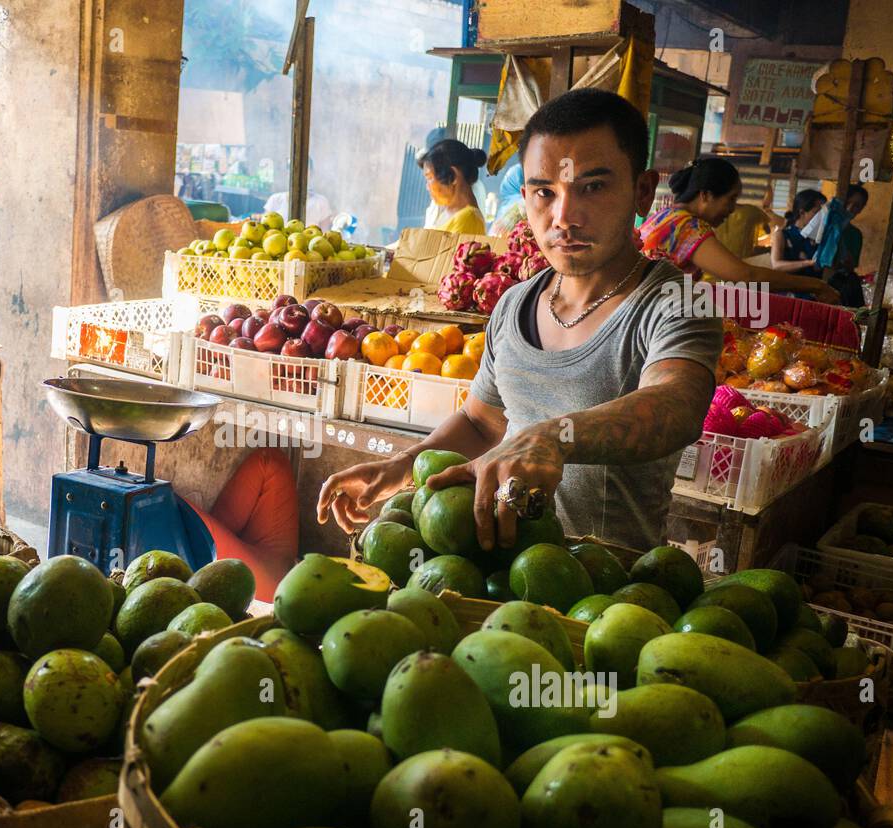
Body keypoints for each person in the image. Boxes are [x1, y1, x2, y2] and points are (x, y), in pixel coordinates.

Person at [316, 88, 723, 553]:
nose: (563, 217)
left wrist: (555, 436)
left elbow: (677, 405)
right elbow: (481, 422)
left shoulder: (675, 302)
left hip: (609, 592)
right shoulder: (514, 304)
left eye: (592, 187)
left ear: (643, 191)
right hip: (497, 576)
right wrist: (403, 465)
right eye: (544, 192)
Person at [639, 160, 839, 302]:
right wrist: (816, 285)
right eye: (731, 199)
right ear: (706, 195)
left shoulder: (666, 215)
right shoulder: (687, 226)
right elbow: (746, 276)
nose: (733, 209)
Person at [184, 448, 298, 602]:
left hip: (271, 594)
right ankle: (205, 554)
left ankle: (204, 556)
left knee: (165, 505)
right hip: (285, 571)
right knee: (270, 461)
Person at [419, 138, 488, 235]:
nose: (427, 186)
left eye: (430, 177)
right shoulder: (448, 213)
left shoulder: (468, 219)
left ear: (453, 175)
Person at [769, 188, 827, 275]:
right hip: (790, 286)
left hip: (815, 286)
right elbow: (777, 265)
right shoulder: (782, 235)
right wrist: (808, 263)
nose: (821, 218)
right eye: (816, 213)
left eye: (823, 214)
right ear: (802, 212)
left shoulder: (820, 237)